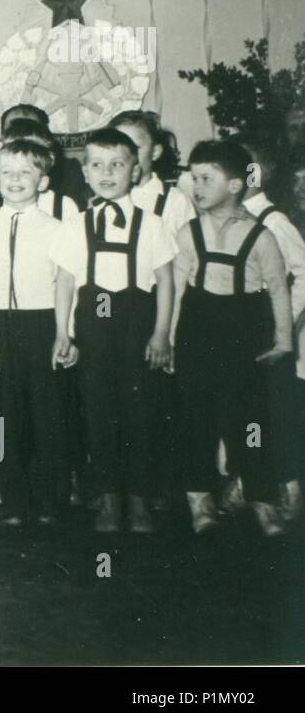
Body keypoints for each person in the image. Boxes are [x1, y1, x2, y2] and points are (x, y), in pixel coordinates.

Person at [51, 127, 176, 534]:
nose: (107, 173)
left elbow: (166, 282)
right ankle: (108, 500)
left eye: (118, 164)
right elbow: (66, 282)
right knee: (100, 415)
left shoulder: (153, 224)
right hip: (94, 328)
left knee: (140, 415)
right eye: (98, 165)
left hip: (137, 326)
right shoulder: (75, 225)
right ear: (85, 172)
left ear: (135, 171)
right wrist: (62, 333)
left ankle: (138, 501)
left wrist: (161, 334)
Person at [171, 140, 293, 537]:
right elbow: (175, 290)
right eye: (193, 178)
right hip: (197, 331)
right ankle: (200, 500)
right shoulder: (188, 234)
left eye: (207, 178)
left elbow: (278, 290)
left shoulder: (261, 236)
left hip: (244, 335)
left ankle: (261, 498)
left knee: (250, 419)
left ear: (237, 184)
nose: (197, 186)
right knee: (195, 420)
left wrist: (283, 341)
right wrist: (169, 340)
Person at [0, 140, 70, 525]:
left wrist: (66, 333)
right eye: (7, 173)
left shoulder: (58, 229)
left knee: (49, 416)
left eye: (26, 172)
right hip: (2, 328)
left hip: (44, 324)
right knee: (7, 418)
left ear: (43, 181)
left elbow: (67, 286)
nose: (15, 180)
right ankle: (13, 501)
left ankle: (53, 500)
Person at [240, 135, 305, 522]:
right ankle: (253, 482)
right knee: (250, 410)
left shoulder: (273, 221)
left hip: (272, 334)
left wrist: (285, 324)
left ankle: (289, 484)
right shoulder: (229, 219)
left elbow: (303, 271)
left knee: (278, 412)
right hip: (242, 331)